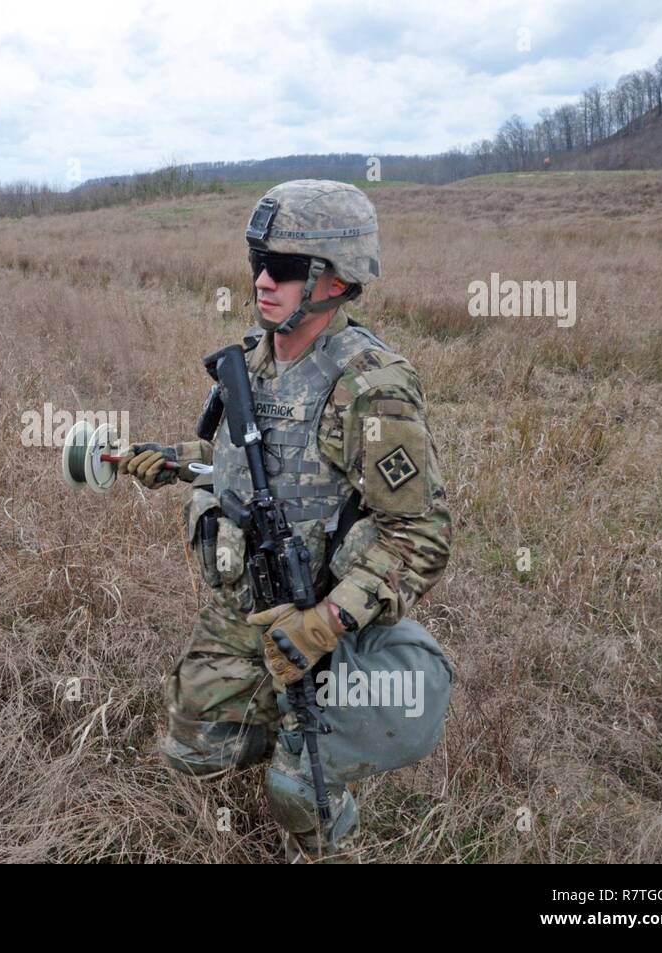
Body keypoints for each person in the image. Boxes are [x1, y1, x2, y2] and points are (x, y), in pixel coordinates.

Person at [120, 180, 454, 862]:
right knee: (192, 752)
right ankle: (283, 731)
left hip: (324, 620)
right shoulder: (253, 365)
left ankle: (319, 804)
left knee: (299, 793)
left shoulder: (369, 386)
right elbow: (241, 464)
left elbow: (421, 534)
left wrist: (325, 622)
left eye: (285, 268)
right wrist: (172, 461)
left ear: (335, 279)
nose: (263, 282)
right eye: (257, 264)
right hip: (244, 609)